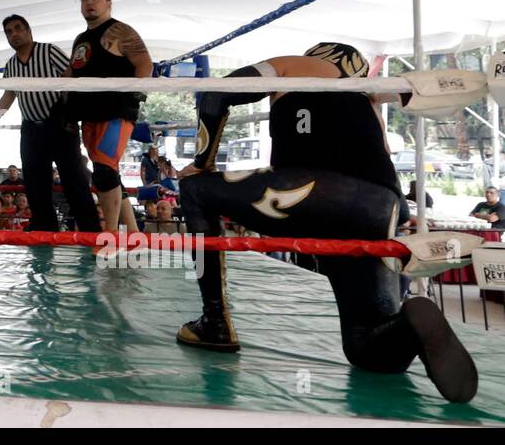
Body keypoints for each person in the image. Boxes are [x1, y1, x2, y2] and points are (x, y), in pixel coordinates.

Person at [176, 41, 479, 404]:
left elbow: (217, 92)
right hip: (377, 213)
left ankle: (214, 323)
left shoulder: (298, 65)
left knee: (194, 188)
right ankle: (410, 323)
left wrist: (203, 161)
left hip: (310, 195)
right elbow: (397, 196)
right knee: (367, 346)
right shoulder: (368, 103)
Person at [0, 14, 99, 232]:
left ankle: (90, 232)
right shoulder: (11, 65)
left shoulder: (49, 51)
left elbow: (70, 74)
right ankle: (45, 232)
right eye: (9, 31)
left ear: (28, 30)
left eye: (18, 28)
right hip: (31, 129)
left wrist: (67, 108)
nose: (14, 34)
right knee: (35, 185)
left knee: (74, 180)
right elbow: (9, 95)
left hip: (60, 126)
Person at [64, 0, 152, 243]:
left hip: (116, 111)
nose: (88, 3)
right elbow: (72, 74)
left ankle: (111, 237)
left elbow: (145, 63)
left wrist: (134, 92)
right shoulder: (80, 38)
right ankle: (134, 234)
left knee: (103, 171)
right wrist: (53, 94)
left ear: (108, 3)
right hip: (88, 113)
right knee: (108, 172)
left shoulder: (121, 31)